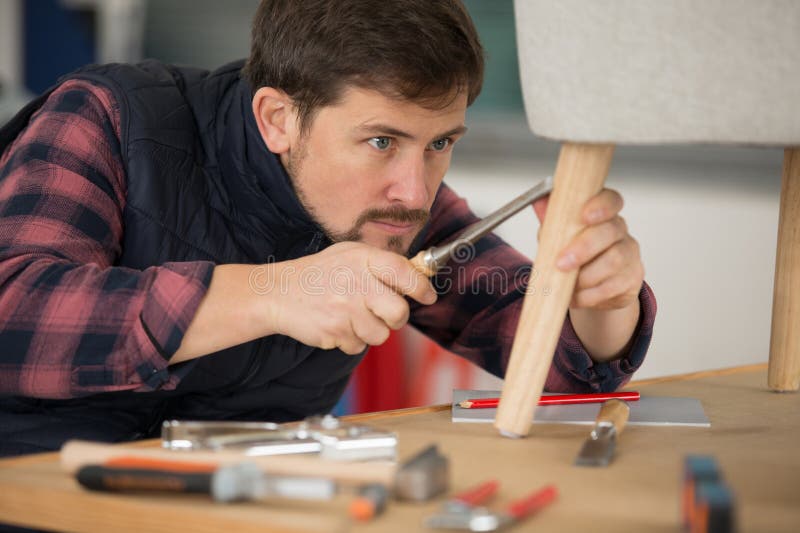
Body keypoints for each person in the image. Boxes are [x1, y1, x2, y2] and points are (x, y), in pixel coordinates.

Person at [0, 0, 655, 458]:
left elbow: (553, 359)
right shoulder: (106, 118)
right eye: (379, 141)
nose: (415, 188)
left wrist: (600, 303)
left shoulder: (393, 202)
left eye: (440, 143)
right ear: (279, 118)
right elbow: (14, 318)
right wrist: (271, 292)